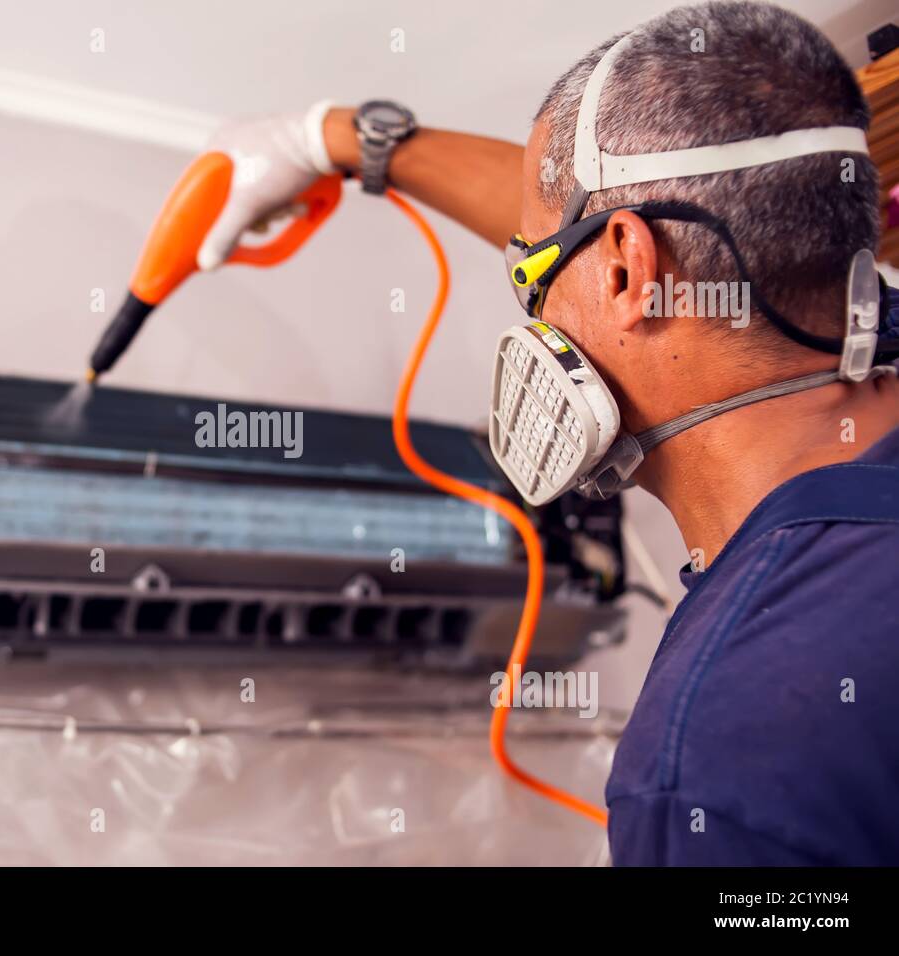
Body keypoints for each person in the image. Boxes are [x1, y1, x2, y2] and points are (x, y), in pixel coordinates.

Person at [196, 0, 899, 865]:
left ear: (625, 269)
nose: (529, 309)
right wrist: (334, 140)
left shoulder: (720, 760)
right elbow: (647, 226)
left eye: (526, 272)